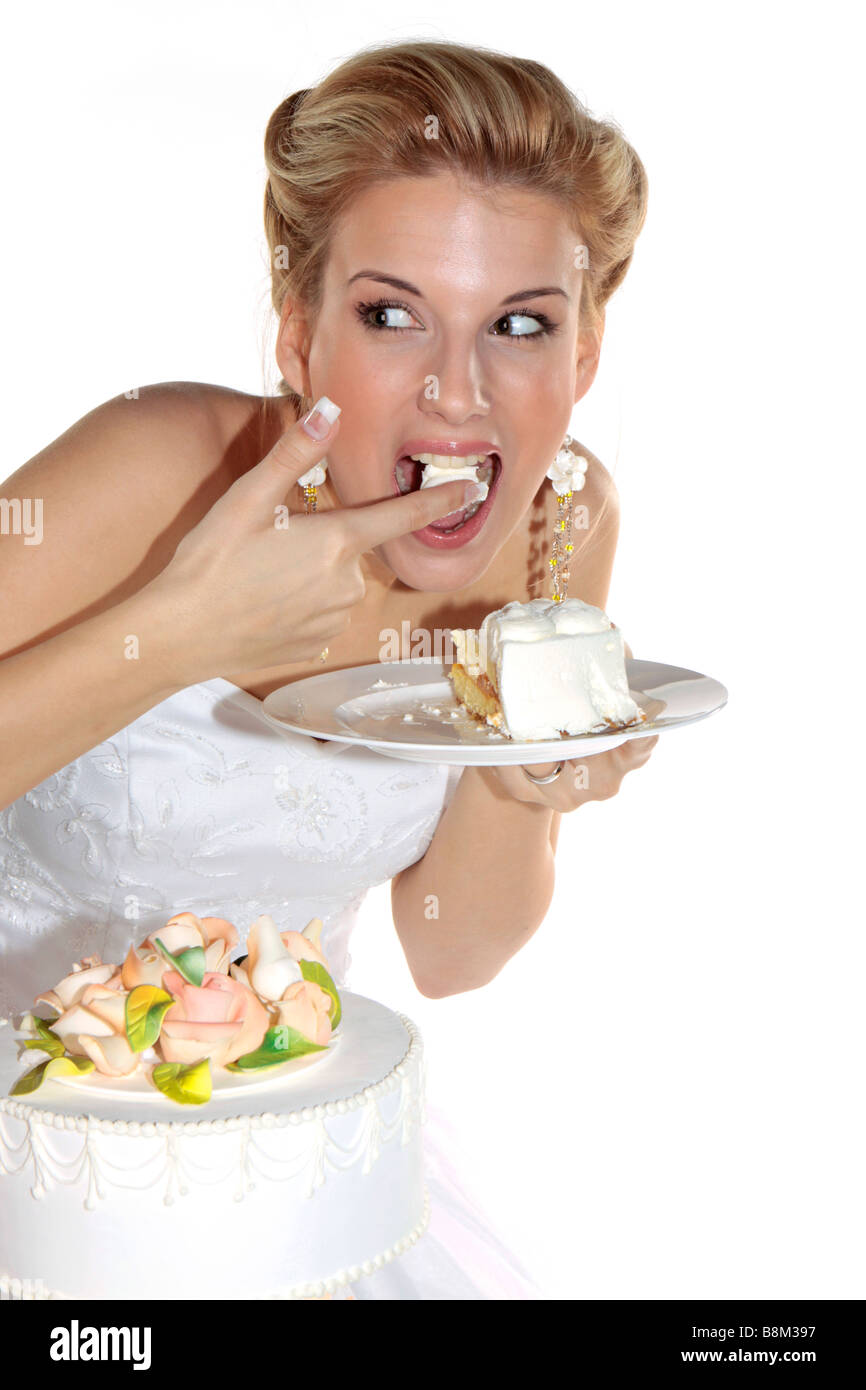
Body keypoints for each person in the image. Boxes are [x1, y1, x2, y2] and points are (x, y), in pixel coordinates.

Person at [0, 38, 658, 1298]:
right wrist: (176, 634)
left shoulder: (562, 524)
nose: (457, 394)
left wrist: (520, 773)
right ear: (299, 332)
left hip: (277, 1188)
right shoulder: (157, 472)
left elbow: (453, 950)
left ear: (580, 359)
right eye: (389, 315)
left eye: (520, 324)